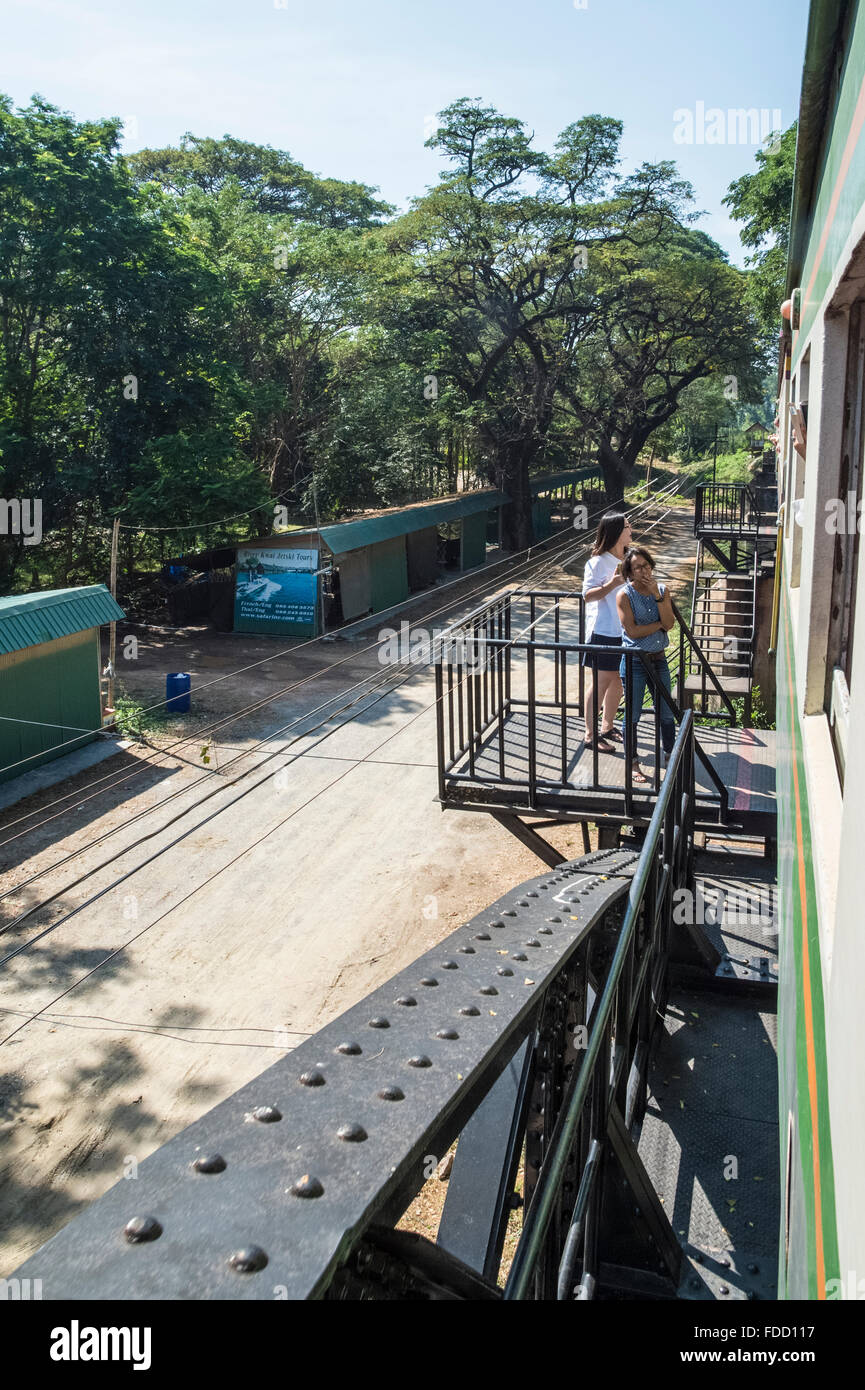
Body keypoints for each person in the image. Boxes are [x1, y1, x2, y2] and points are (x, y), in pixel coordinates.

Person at [615, 546, 677, 784]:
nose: (644, 570)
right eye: (637, 567)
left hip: (658, 659)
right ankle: (632, 763)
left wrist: (658, 598)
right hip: (635, 661)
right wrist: (658, 625)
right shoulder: (624, 595)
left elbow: (670, 624)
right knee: (633, 713)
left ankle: (670, 754)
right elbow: (632, 631)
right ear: (629, 573)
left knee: (666, 710)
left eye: (646, 565)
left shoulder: (662, 590)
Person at [581, 511, 633, 751]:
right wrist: (612, 583)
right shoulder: (597, 563)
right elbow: (588, 596)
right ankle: (590, 735)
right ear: (615, 532)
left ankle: (607, 726)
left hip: (624, 630)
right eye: (627, 526)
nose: (631, 530)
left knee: (619, 683)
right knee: (601, 682)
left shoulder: (628, 559)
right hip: (603, 630)